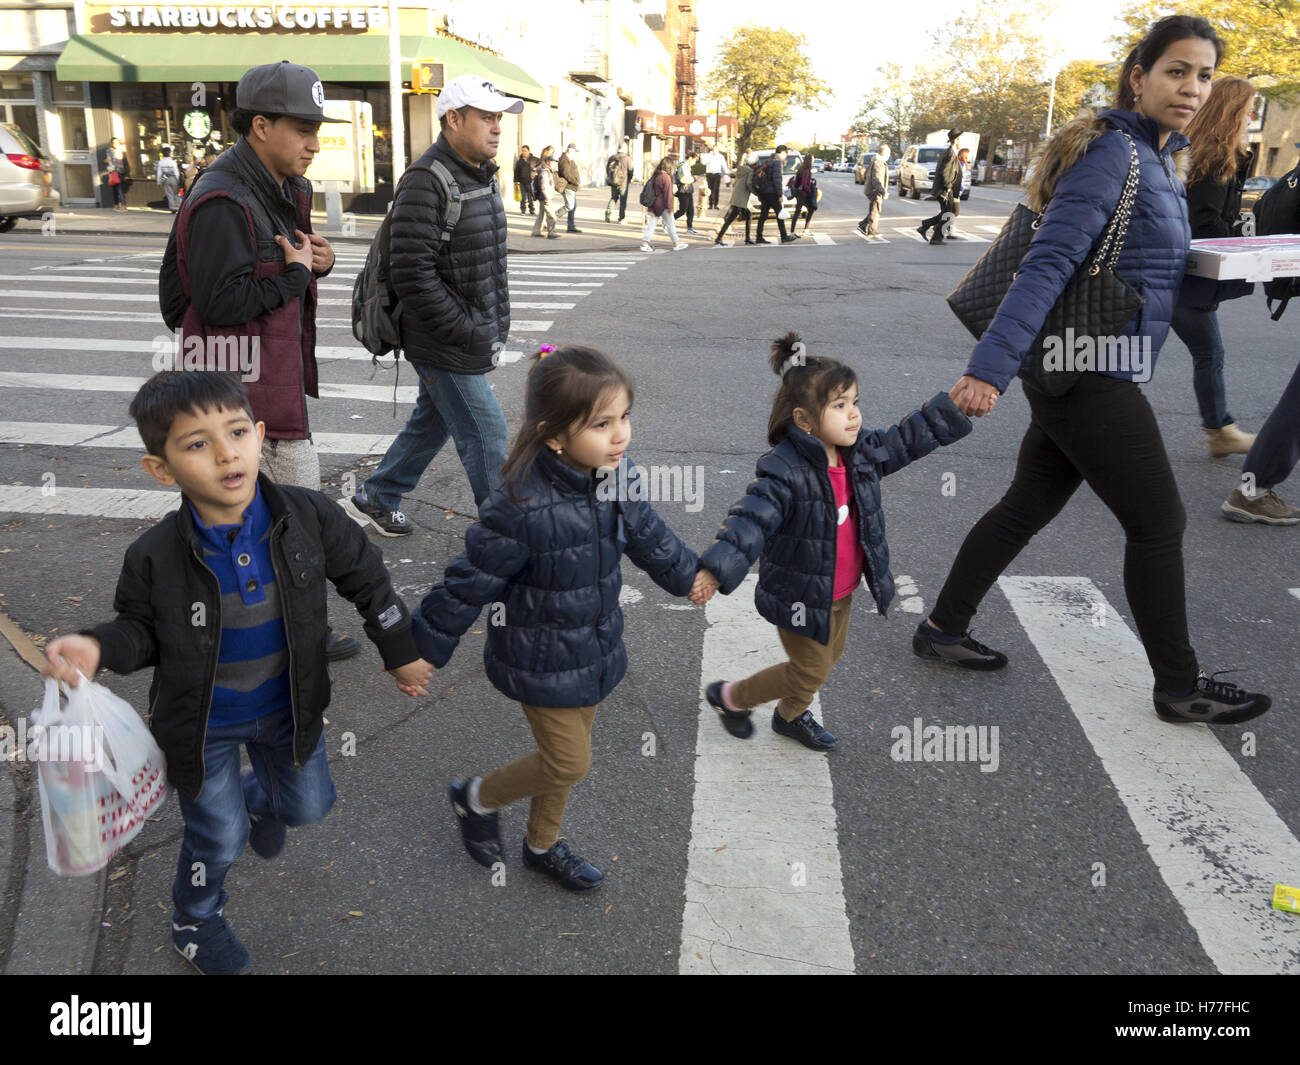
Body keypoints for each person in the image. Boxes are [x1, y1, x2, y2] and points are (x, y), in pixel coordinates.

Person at [921, 16, 1273, 725]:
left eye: (1204, 75)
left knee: (1026, 505)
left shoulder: (1159, 160)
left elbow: (1152, 272)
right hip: (1086, 366)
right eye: (1177, 71)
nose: (1192, 87)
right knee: (1158, 520)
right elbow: (1047, 261)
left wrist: (1255, 271)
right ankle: (1179, 687)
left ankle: (941, 628)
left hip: (1087, 362)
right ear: (1138, 77)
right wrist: (989, 366)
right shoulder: (1115, 154)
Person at [42, 371, 432, 974]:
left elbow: (366, 576)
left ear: (260, 435)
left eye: (236, 432)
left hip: (289, 710)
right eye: (197, 443)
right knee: (218, 837)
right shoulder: (154, 554)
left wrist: (398, 646)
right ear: (161, 469)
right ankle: (194, 918)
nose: (226, 453)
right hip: (202, 728)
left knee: (307, 806)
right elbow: (141, 630)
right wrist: (96, 647)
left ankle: (258, 798)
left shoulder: (308, 516)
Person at [414, 346, 710, 890]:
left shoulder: (615, 473)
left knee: (562, 759)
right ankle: (475, 799)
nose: (620, 434)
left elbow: (648, 535)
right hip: (538, 656)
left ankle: (542, 845)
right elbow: (468, 581)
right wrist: (419, 650)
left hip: (593, 643)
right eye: (602, 423)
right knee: (570, 761)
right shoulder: (521, 504)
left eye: (624, 417)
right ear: (554, 436)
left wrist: (688, 575)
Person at [163, 61, 360, 660]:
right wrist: (295, 276)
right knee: (286, 516)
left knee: (263, 517)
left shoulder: (282, 188)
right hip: (237, 392)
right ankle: (279, 636)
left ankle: (266, 630)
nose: (313, 143)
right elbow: (212, 302)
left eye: (316, 128)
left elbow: (283, 266)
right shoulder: (224, 197)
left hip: (269, 387)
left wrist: (314, 263)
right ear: (259, 126)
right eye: (301, 129)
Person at [693, 335, 972, 749]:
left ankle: (789, 716)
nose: (854, 415)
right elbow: (750, 519)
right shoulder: (785, 472)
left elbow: (905, 439)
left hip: (840, 590)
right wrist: (715, 569)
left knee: (827, 660)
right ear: (805, 419)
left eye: (855, 402)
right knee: (810, 668)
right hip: (802, 593)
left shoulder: (859, 453)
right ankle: (731, 698)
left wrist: (950, 410)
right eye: (839, 406)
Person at [344, 74, 521, 538]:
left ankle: (377, 496)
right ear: (454, 120)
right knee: (486, 432)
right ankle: (506, 535)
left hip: (469, 330)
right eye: (486, 117)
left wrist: (493, 321)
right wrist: (467, 329)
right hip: (443, 339)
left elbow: (484, 262)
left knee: (435, 420)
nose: (497, 127)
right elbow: (412, 276)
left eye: (498, 118)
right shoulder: (427, 181)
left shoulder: (478, 173)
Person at [1170, 76, 1258, 457]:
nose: (1253, 113)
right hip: (1187, 276)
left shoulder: (1193, 147)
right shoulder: (1218, 156)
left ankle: (1220, 428)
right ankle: (1220, 429)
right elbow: (1205, 221)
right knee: (1209, 355)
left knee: (1130, 353)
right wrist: (1240, 245)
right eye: (1251, 106)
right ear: (1234, 111)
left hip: (1168, 268)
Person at [919, 130, 961, 244]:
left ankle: (926, 227)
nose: (960, 142)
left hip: (945, 189)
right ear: (956, 140)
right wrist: (948, 187)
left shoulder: (949, 152)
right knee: (948, 214)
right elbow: (945, 172)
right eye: (959, 139)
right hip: (945, 189)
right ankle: (936, 238)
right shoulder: (950, 154)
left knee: (947, 213)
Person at [640, 156, 688, 252]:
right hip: (663, 205)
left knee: (652, 224)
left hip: (654, 204)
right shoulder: (666, 177)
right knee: (670, 225)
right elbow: (667, 195)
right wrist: (670, 208)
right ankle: (676, 243)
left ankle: (645, 244)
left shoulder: (656, 175)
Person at [755, 146, 797, 244]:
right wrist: (780, 195)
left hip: (765, 192)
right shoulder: (777, 162)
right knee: (780, 214)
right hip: (772, 193)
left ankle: (759, 236)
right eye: (785, 154)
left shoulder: (769, 160)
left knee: (763, 216)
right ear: (782, 153)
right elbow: (777, 180)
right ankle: (784, 236)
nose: (785, 157)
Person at [713, 151, 755, 246]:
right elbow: (749, 183)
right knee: (731, 219)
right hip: (741, 199)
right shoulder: (750, 172)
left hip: (737, 196)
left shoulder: (742, 170)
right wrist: (756, 193)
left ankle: (747, 238)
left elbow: (732, 174)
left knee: (748, 215)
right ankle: (719, 238)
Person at [530, 145, 563, 239]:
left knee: (541, 214)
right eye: (553, 162)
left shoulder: (545, 169)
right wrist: (547, 198)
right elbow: (544, 186)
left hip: (543, 197)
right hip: (545, 197)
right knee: (551, 215)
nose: (555, 164)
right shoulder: (545, 171)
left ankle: (536, 231)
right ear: (549, 162)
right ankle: (551, 232)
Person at [857, 144, 889, 238]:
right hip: (875, 190)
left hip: (871, 189)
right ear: (885, 153)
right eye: (888, 153)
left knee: (874, 209)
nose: (889, 155)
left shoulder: (876, 161)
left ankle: (863, 225)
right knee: (875, 210)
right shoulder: (878, 162)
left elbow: (867, 174)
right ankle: (871, 231)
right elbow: (877, 179)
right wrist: (882, 191)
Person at [605, 138, 633, 223]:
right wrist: (629, 180)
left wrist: (611, 178)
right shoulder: (628, 159)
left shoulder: (612, 158)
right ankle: (621, 218)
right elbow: (631, 171)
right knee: (623, 200)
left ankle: (608, 212)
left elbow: (607, 169)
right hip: (623, 183)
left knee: (614, 198)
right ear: (625, 149)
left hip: (613, 181)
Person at [789, 154, 818, 233]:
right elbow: (804, 183)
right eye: (812, 160)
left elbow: (804, 180)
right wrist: (809, 191)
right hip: (803, 194)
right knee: (810, 208)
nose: (813, 161)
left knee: (799, 211)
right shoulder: (806, 170)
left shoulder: (802, 168)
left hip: (799, 193)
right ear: (810, 160)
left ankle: (793, 231)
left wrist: (811, 180)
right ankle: (805, 229)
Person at [558, 142, 582, 233]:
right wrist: (576, 181)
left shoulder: (570, 159)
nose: (575, 153)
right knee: (570, 206)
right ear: (570, 150)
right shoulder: (565, 159)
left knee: (573, 206)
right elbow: (566, 173)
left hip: (572, 186)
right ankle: (552, 217)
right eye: (574, 151)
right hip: (568, 186)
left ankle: (571, 226)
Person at [674, 152, 699, 234]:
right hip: (683, 190)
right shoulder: (683, 167)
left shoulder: (686, 167)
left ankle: (690, 228)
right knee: (682, 210)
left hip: (688, 190)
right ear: (690, 158)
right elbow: (683, 179)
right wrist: (694, 179)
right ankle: (667, 220)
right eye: (694, 160)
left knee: (690, 211)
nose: (694, 163)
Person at [103, 136, 129, 210]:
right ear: (111, 143)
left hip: (120, 172)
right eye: (114, 143)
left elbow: (126, 163)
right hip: (112, 172)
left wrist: (127, 174)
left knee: (119, 188)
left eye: (117, 143)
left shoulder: (122, 151)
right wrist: (106, 161)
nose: (115, 144)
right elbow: (106, 160)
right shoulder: (108, 151)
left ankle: (123, 204)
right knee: (114, 189)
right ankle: (116, 204)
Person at [155, 145, 181, 212]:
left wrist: (158, 182)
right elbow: (176, 172)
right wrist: (178, 180)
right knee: (176, 193)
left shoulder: (161, 162)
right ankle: (178, 207)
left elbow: (159, 173)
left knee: (169, 194)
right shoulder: (173, 162)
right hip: (174, 178)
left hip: (165, 178)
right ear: (169, 153)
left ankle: (173, 208)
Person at [514, 144, 536, 215]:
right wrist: (516, 181)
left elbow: (540, 165)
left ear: (529, 151)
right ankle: (523, 210)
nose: (524, 152)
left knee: (530, 197)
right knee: (522, 197)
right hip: (521, 182)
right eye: (522, 151)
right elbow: (516, 172)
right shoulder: (519, 161)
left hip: (530, 181)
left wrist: (536, 171)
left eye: (525, 151)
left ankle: (532, 210)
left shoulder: (533, 159)